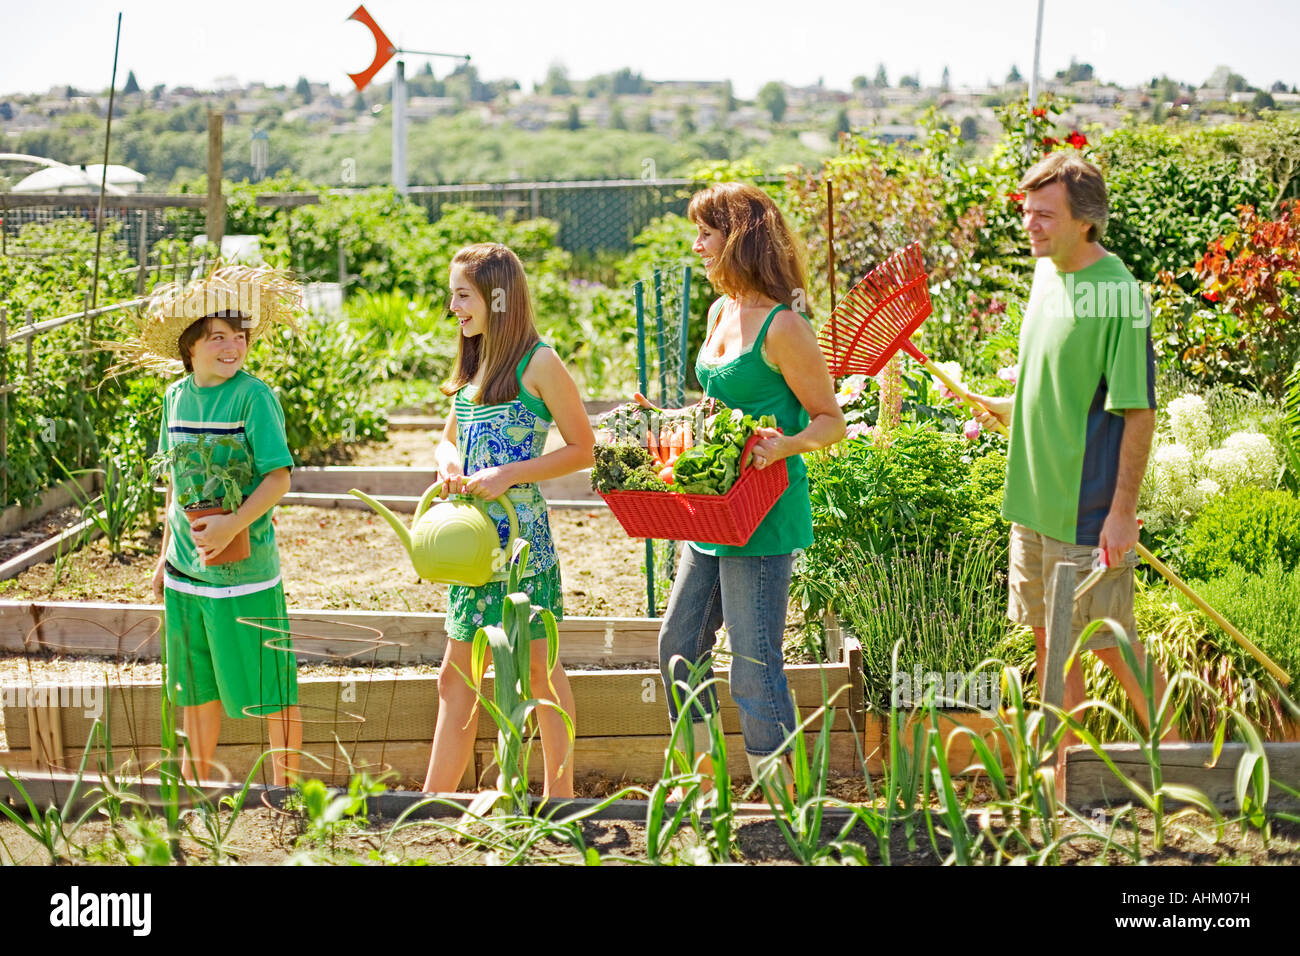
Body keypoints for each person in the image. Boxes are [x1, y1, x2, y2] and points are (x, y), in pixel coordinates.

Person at [968, 152, 1180, 755]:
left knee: (1109, 643)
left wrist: (1122, 512)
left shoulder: (1117, 295)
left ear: (1084, 220)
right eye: (1027, 212)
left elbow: (1137, 409)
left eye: (1045, 215)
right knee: (1048, 643)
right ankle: (1064, 777)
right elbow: (1061, 381)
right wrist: (1009, 406)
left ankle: (1199, 766)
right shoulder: (1046, 273)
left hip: (1086, 508)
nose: (1030, 225)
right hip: (1033, 500)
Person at [657, 182, 845, 791]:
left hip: (763, 514)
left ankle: (785, 802)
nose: (698, 245)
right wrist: (679, 430)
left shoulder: (786, 327)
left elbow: (830, 421)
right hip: (712, 512)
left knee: (754, 663)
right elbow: (719, 404)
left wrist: (784, 445)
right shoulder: (720, 312)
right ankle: (701, 782)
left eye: (707, 233)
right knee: (678, 645)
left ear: (737, 238)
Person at [422, 243, 594, 799]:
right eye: (453, 295)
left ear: (498, 298)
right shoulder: (477, 359)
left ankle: (560, 798)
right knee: (457, 678)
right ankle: (430, 808)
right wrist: (448, 462)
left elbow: (584, 449)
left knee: (539, 675)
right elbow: (449, 440)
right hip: (471, 549)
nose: (454, 308)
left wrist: (508, 474)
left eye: (463, 295)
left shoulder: (537, 362)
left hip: (521, 549)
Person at [145, 265, 304, 787]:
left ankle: (287, 792)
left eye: (239, 336)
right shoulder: (174, 398)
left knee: (269, 687)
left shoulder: (253, 397)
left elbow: (277, 479)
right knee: (194, 687)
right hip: (185, 571)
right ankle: (197, 789)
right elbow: (177, 482)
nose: (232, 346)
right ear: (191, 345)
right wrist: (165, 555)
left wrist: (231, 524)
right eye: (218, 337)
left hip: (243, 570)